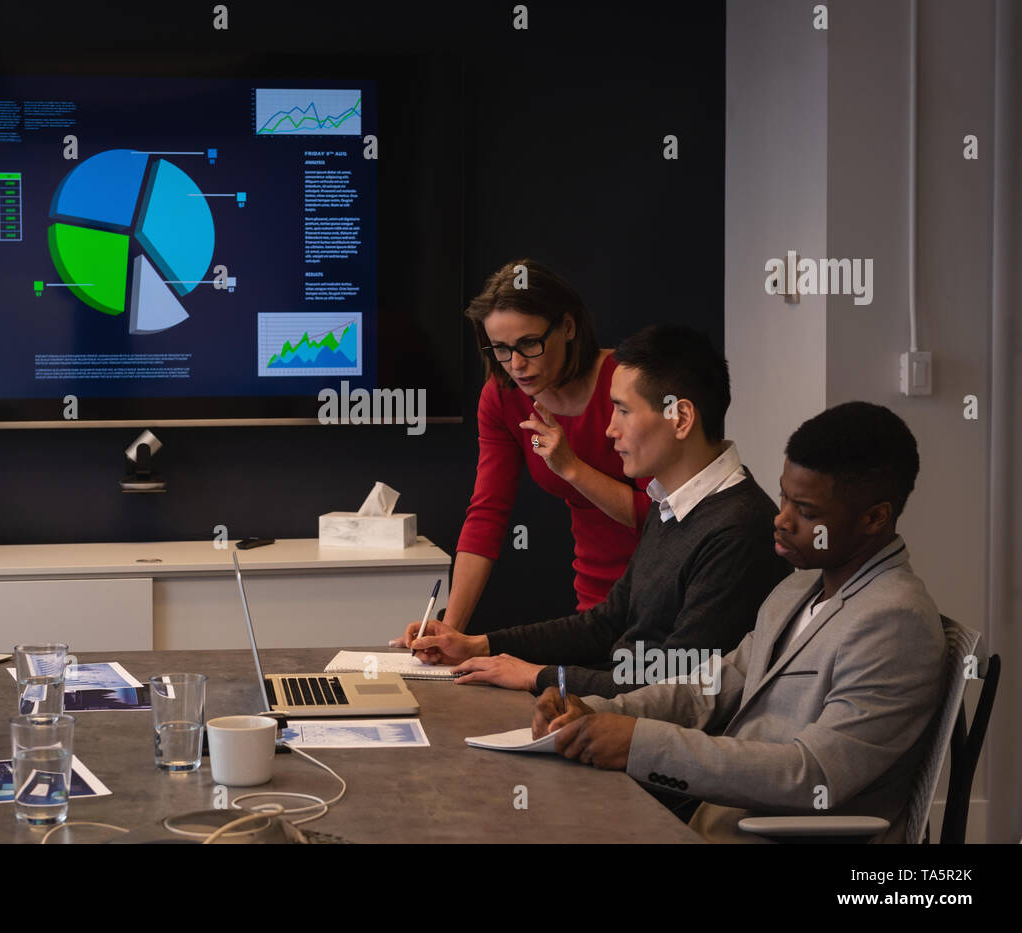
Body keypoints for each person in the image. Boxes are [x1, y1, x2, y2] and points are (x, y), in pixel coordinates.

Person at [533, 402, 945, 844]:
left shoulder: (895, 622)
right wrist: (598, 710)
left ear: (875, 517)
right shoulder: (796, 589)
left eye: (806, 511)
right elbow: (706, 689)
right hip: (713, 822)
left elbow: (812, 776)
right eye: (784, 496)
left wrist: (637, 743)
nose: (781, 519)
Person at [396, 324, 791, 695]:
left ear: (680, 418)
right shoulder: (671, 504)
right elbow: (607, 624)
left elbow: (675, 687)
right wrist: (476, 645)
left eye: (623, 410)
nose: (609, 430)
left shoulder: (738, 531)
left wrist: (538, 676)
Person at [443, 260, 653, 632]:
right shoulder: (502, 395)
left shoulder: (627, 383)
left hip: (664, 591)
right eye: (501, 349)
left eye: (529, 343)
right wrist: (451, 629)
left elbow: (659, 516)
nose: (516, 364)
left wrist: (572, 468)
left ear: (568, 327)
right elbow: (487, 515)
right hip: (595, 601)